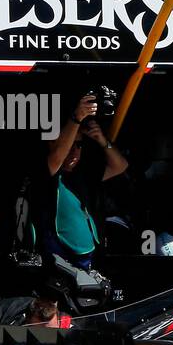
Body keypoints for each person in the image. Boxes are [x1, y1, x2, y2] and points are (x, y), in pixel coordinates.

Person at [40, 94, 129, 273]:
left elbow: (121, 166)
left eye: (79, 145)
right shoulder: (46, 172)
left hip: (88, 262)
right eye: (70, 144)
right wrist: (76, 118)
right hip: (58, 261)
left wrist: (102, 140)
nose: (74, 151)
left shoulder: (85, 175)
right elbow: (57, 156)